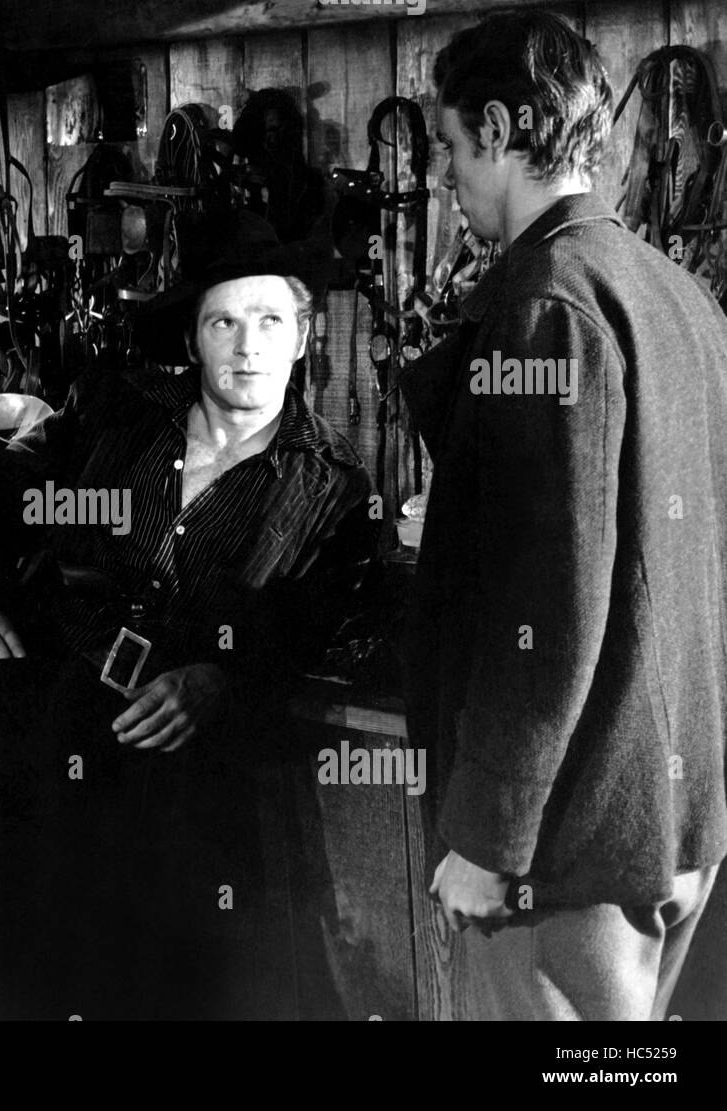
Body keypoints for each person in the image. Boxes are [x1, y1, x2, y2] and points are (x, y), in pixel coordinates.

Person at [0, 212, 376, 1020]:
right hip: (33, 720)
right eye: (223, 321)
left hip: (169, 774)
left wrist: (221, 677)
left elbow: (312, 625)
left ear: (304, 336)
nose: (248, 344)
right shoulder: (118, 411)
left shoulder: (333, 485)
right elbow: (3, 490)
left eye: (271, 320)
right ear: (195, 339)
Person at [403, 10, 727, 1020]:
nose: (446, 179)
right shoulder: (678, 295)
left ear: (498, 130)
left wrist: (488, 834)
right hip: (669, 818)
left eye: (451, 147)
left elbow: (549, 599)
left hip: (564, 842)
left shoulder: (550, 297)